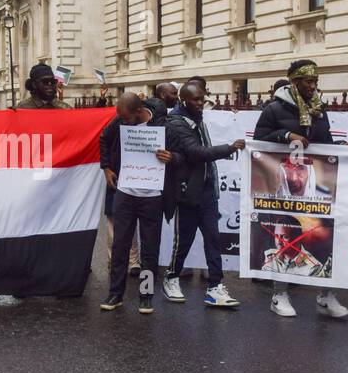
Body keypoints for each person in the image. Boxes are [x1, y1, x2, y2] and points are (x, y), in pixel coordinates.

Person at [253, 59, 348, 318]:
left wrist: (343, 146)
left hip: (313, 183)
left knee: (323, 234)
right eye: (309, 81)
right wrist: (286, 136)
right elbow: (259, 138)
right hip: (282, 184)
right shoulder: (274, 108)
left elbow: (324, 142)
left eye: (316, 81)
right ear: (295, 82)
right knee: (284, 235)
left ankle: (326, 295)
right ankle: (279, 294)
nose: (313, 86)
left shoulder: (319, 108)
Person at [162, 82, 243, 308]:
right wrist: (229, 148)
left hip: (207, 191)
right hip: (188, 192)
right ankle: (171, 277)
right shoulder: (176, 123)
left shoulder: (197, 118)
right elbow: (196, 154)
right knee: (183, 242)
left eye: (202, 99)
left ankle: (215, 287)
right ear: (183, 100)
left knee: (213, 240)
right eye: (196, 100)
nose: (200, 104)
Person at [100, 93, 174, 313]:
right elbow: (104, 138)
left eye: (126, 118)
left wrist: (172, 157)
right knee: (120, 245)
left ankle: (146, 295)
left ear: (139, 111)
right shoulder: (120, 120)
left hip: (152, 195)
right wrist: (106, 168)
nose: (122, 122)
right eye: (120, 118)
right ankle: (115, 294)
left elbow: (180, 153)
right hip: (124, 192)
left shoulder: (163, 124)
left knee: (150, 249)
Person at [260, 216, 330, 277]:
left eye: (284, 236)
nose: (279, 242)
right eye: (276, 236)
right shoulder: (269, 256)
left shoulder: (313, 267)